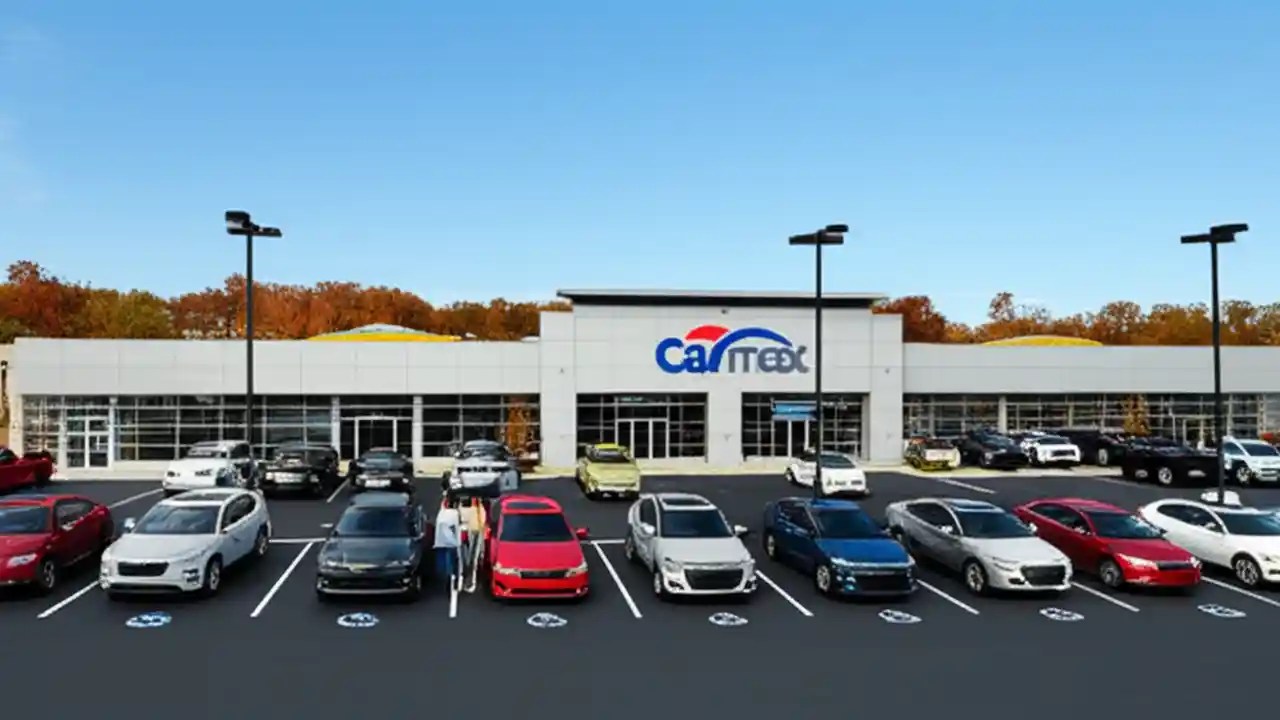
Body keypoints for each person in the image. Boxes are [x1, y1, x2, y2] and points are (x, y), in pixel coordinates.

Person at [457, 497, 486, 591]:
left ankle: (464, 581)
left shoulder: (461, 508)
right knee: (471, 560)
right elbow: (482, 520)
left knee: (464, 559)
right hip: (473, 532)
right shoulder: (476, 507)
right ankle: (469, 582)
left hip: (466, 534)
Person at [434, 498, 461, 590]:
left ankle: (448, 579)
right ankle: (455, 579)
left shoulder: (441, 514)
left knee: (446, 563)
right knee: (455, 562)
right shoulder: (455, 514)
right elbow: (456, 528)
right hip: (453, 542)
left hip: (442, 542)